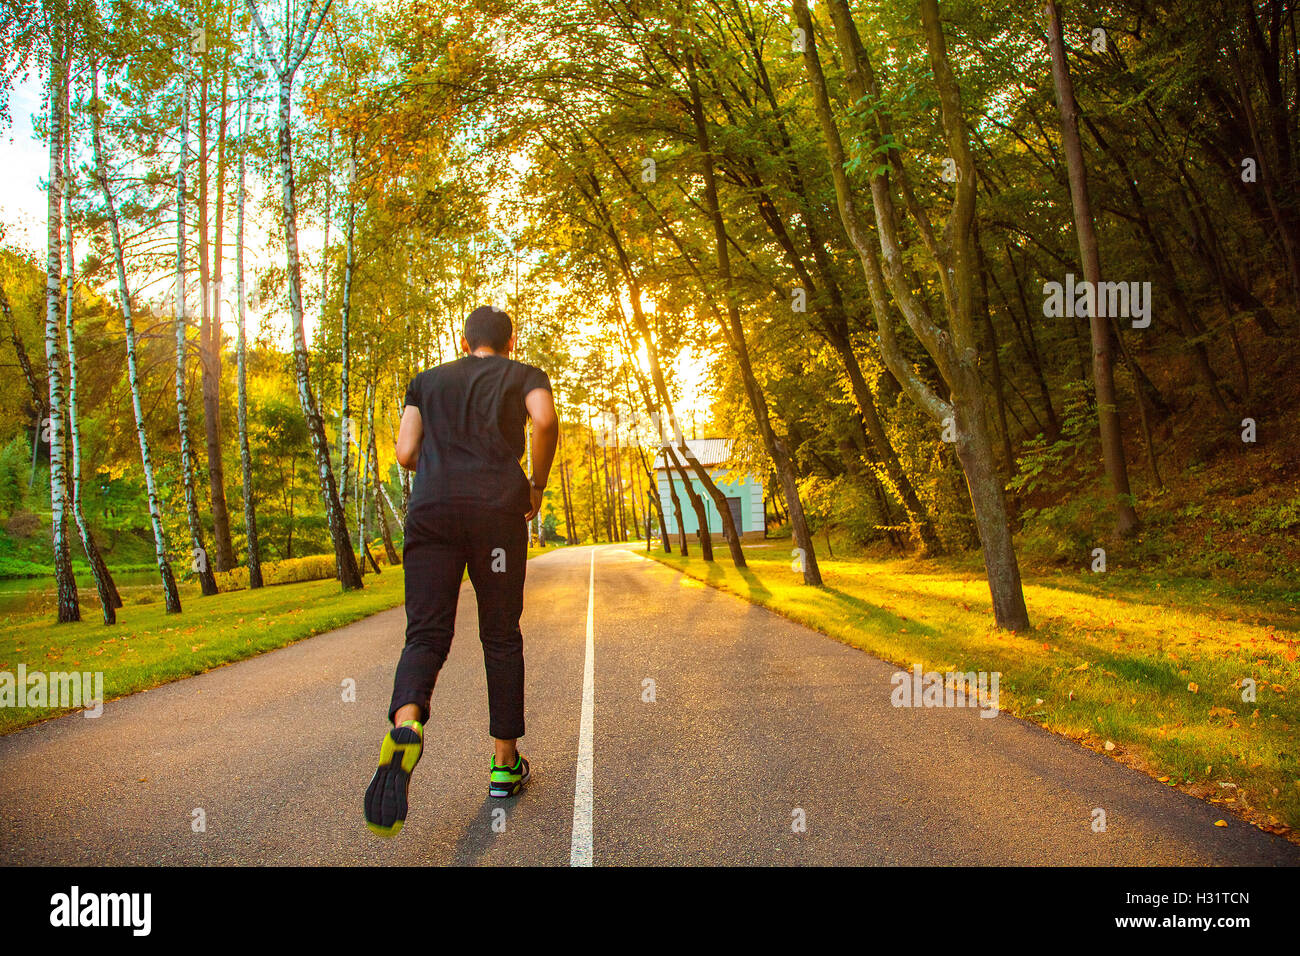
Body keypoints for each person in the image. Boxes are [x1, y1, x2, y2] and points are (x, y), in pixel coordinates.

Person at [365, 305, 559, 837]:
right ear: (510, 341)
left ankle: (407, 724)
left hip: (432, 512)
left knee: (426, 634)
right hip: (496, 513)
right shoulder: (525, 374)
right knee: (500, 634)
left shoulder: (425, 382)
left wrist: (442, 460)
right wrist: (536, 484)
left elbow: (405, 451)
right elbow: (544, 420)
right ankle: (504, 766)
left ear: (465, 340)